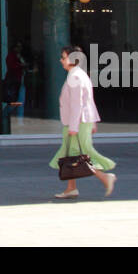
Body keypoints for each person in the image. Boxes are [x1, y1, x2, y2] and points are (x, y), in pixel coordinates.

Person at [49, 45, 116, 199]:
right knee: (72, 155)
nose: (61, 60)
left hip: (77, 123)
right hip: (82, 121)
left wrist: (73, 127)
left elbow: (77, 104)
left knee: (78, 156)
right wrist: (92, 122)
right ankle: (71, 188)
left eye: (64, 57)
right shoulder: (79, 75)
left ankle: (105, 178)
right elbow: (88, 101)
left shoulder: (75, 77)